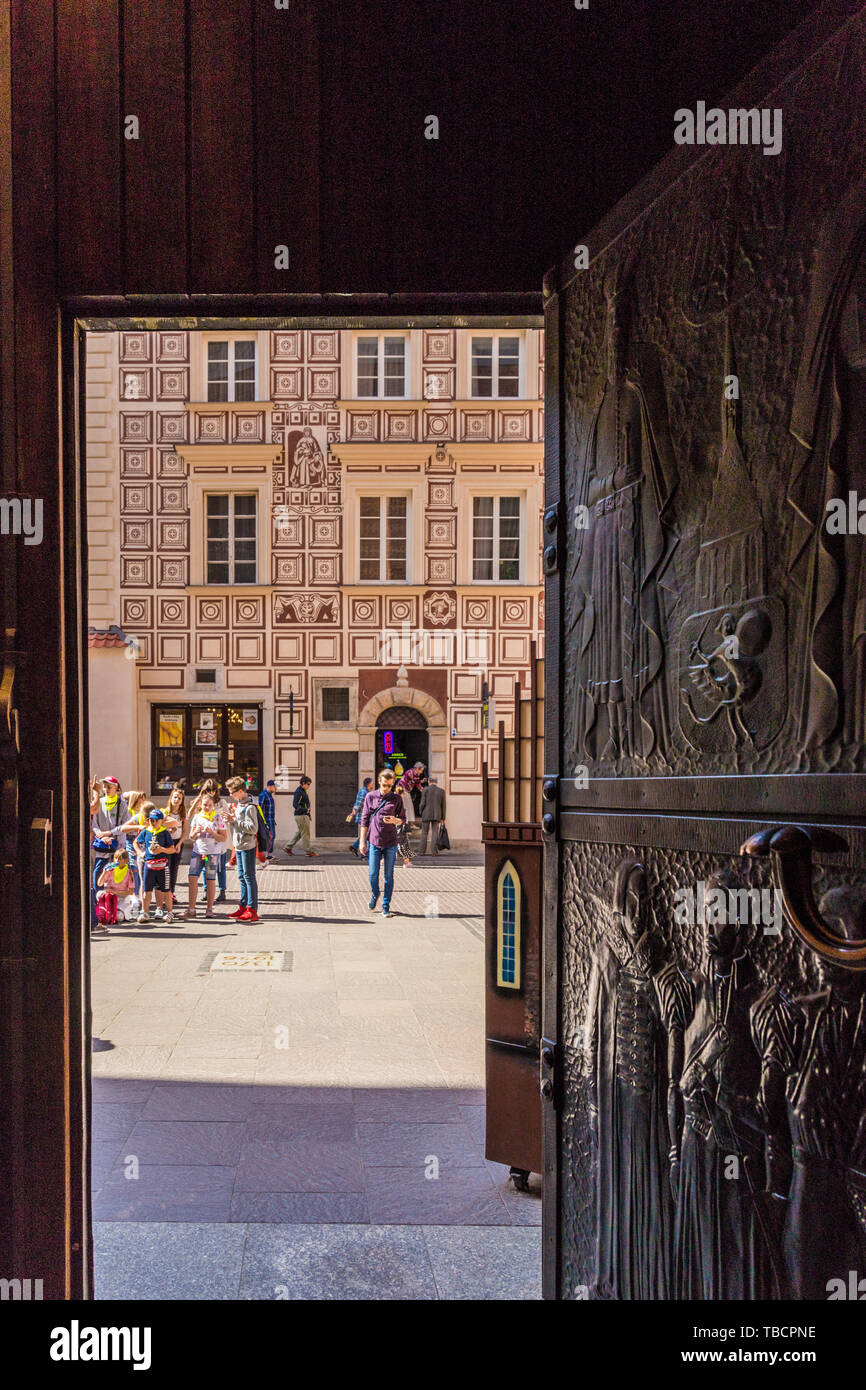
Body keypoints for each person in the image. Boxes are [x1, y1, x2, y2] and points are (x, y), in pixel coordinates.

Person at [358, 767, 405, 919]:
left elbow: (403, 819)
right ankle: (375, 893)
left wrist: (395, 820)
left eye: (390, 785)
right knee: (372, 874)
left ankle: (386, 906)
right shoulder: (370, 797)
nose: (386, 788)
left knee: (388, 876)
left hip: (391, 842)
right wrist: (362, 842)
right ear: (379, 781)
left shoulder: (396, 798)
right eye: (384, 784)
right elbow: (364, 820)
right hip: (374, 841)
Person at [89, 776, 129, 928]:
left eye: (110, 787)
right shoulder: (100, 802)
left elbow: (125, 824)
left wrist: (110, 834)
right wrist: (100, 834)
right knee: (99, 872)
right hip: (102, 845)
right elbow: (94, 823)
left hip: (117, 844)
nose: (106, 789)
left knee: (118, 874)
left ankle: (118, 907)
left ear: (116, 788)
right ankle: (99, 904)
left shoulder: (121, 803)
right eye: (105, 787)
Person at [184, 791, 228, 920]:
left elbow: (224, 837)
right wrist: (196, 832)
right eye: (204, 805)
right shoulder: (197, 817)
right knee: (192, 878)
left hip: (212, 854)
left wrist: (213, 833)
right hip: (198, 852)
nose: (207, 807)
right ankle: (191, 909)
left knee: (210, 880)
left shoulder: (218, 818)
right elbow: (191, 836)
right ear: (201, 805)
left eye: (209, 805)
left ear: (213, 805)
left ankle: (209, 909)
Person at [225, 775, 260, 921]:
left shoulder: (249, 806)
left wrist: (235, 820)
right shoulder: (239, 805)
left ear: (240, 791)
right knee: (241, 877)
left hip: (247, 845)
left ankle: (252, 909)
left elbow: (253, 828)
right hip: (238, 845)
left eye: (232, 792)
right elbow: (237, 825)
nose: (230, 795)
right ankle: (243, 906)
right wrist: (231, 819)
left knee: (249, 876)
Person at [135, 808, 178, 925]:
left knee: (166, 891)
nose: (153, 823)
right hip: (149, 866)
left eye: (156, 821)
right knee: (146, 890)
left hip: (163, 866)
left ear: (161, 821)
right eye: (151, 820)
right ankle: (145, 912)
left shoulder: (165, 833)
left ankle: (169, 912)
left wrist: (162, 849)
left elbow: (172, 849)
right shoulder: (145, 831)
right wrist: (140, 852)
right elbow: (136, 842)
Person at [94, 848, 136, 931]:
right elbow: (99, 883)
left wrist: (114, 891)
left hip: (122, 898)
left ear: (126, 860)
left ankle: (123, 912)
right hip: (110, 897)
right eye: (115, 858)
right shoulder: (110, 869)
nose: (117, 860)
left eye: (120, 859)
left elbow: (130, 892)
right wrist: (104, 872)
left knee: (118, 917)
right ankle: (107, 911)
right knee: (99, 893)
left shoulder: (129, 872)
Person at [164, 784, 187, 906]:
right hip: (167, 844)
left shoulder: (182, 814)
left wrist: (179, 843)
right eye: (175, 797)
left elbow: (184, 831)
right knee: (166, 868)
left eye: (179, 798)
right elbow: (160, 828)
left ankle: (171, 892)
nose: (176, 800)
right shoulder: (165, 812)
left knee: (174, 868)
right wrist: (168, 830)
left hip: (177, 843)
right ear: (171, 798)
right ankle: (164, 893)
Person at [285, 775, 317, 857]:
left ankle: (288, 847)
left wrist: (308, 814)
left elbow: (306, 804)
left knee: (300, 832)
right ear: (303, 783)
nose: (309, 786)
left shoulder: (302, 790)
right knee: (306, 833)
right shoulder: (299, 791)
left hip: (303, 815)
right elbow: (295, 804)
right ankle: (308, 851)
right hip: (301, 815)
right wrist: (305, 811)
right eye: (308, 784)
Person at [419, 777, 446, 855]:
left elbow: (422, 803)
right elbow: (443, 806)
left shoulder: (425, 790)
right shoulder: (441, 791)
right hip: (437, 814)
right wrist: (443, 817)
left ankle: (421, 852)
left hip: (426, 814)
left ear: (428, 781)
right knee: (435, 833)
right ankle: (434, 852)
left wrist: (420, 811)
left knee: (424, 833)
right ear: (436, 782)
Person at [347, 777, 373, 856]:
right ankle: (364, 854)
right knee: (367, 835)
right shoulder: (363, 792)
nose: (373, 784)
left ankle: (354, 847)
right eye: (372, 783)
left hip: (366, 816)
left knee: (366, 834)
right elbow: (359, 803)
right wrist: (354, 812)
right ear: (368, 784)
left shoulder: (367, 791)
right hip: (363, 816)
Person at [258, 778, 277, 859]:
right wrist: (263, 822)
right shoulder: (263, 795)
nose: (276, 788)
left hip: (271, 820)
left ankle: (269, 854)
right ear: (270, 786)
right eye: (275, 787)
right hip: (266, 820)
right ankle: (266, 854)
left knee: (272, 836)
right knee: (269, 837)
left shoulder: (270, 795)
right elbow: (259, 809)